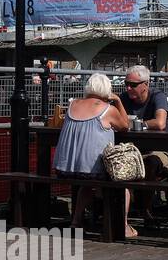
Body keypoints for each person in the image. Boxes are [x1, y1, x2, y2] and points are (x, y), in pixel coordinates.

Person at [54, 73, 134, 238]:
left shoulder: (72, 105)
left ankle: (76, 222)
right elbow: (125, 126)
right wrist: (118, 101)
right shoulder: (108, 109)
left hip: (65, 169)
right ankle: (123, 225)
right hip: (92, 170)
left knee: (87, 184)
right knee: (123, 187)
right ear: (107, 90)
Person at [119, 65, 168, 130]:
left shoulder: (158, 96)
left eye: (133, 85)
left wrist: (135, 125)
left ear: (146, 84)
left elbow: (160, 123)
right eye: (126, 83)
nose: (128, 88)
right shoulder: (123, 97)